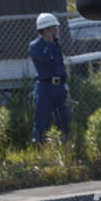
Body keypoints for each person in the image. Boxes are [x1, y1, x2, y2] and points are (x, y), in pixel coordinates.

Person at [29, 12, 70, 144]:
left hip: (58, 87)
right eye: (53, 28)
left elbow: (59, 64)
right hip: (45, 87)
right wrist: (49, 44)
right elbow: (45, 59)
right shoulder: (35, 46)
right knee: (42, 119)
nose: (56, 31)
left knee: (63, 118)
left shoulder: (57, 44)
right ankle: (39, 145)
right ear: (45, 30)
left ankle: (65, 145)